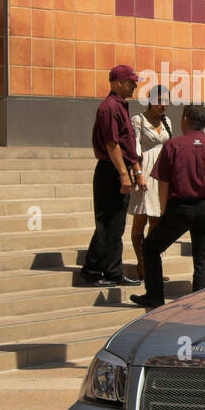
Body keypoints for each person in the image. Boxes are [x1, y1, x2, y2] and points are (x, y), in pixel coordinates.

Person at [131, 105, 205, 309]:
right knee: (201, 260)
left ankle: (155, 296)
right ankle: (198, 305)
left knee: (151, 248)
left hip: (180, 207)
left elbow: (163, 182)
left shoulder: (173, 145)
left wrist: (163, 209)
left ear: (185, 119)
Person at [81, 65, 146, 287]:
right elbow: (112, 144)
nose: (134, 86)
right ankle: (92, 270)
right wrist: (123, 174)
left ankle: (113, 272)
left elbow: (128, 145)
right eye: (130, 82)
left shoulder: (120, 106)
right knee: (107, 223)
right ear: (118, 82)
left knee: (116, 225)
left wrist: (135, 170)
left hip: (120, 168)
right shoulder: (109, 108)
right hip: (111, 170)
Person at [128, 85, 174, 281]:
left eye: (166, 101)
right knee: (141, 218)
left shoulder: (167, 121)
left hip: (162, 175)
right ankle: (142, 264)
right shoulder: (138, 120)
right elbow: (133, 149)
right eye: (160, 101)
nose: (163, 105)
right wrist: (138, 174)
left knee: (157, 221)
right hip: (145, 171)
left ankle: (153, 264)